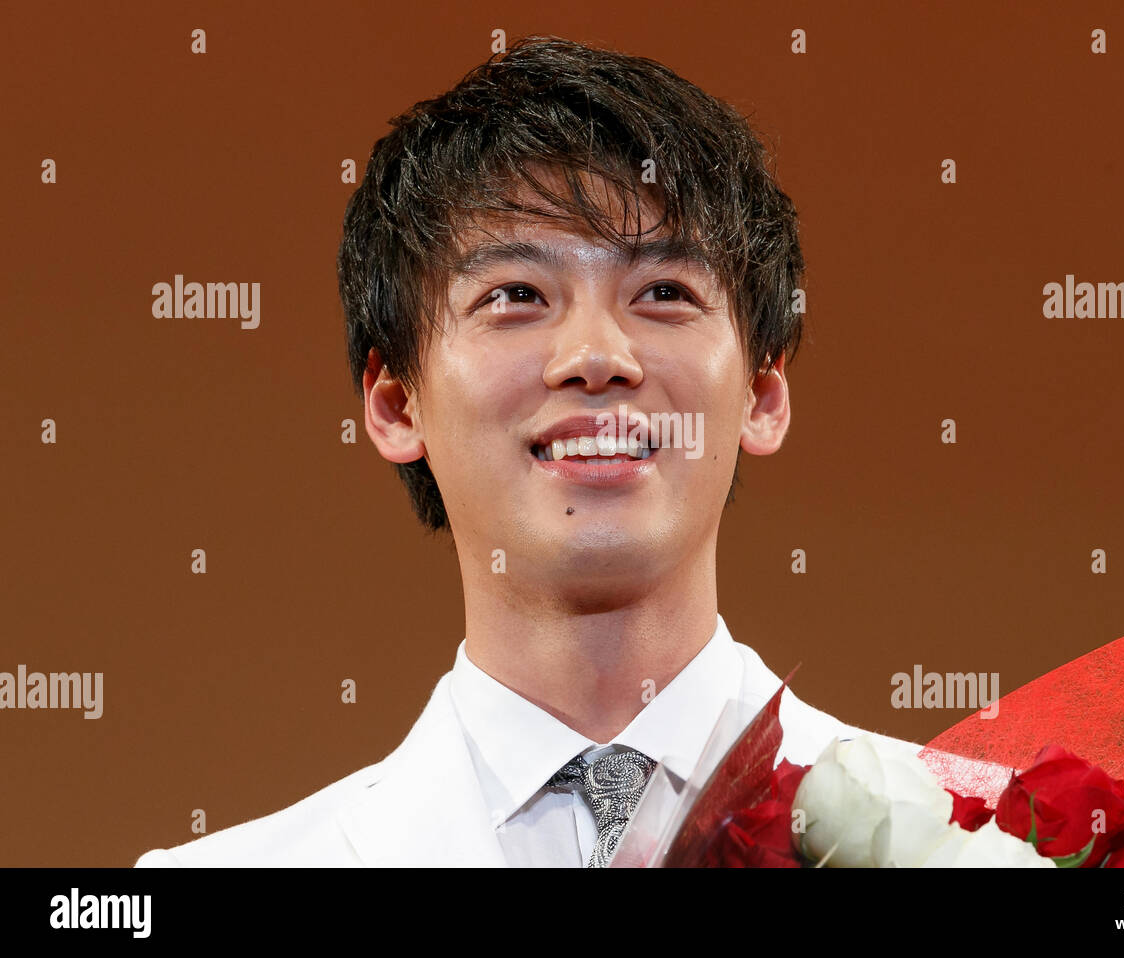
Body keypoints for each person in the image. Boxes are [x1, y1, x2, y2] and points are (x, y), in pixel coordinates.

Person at [134, 34, 921, 868]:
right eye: (516, 295)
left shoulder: (977, 838)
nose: (595, 356)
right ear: (398, 404)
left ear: (762, 395)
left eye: (664, 293)